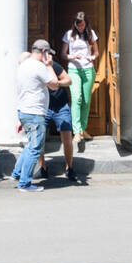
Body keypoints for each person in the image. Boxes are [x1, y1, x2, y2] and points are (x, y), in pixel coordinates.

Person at [11, 40, 66, 193]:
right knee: (35, 148)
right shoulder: (39, 66)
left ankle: (17, 173)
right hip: (34, 112)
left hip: (24, 110)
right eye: (48, 53)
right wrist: (49, 65)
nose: (49, 56)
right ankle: (25, 183)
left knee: (30, 145)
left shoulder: (24, 65)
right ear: (43, 52)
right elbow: (54, 85)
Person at [31, 51, 81, 182]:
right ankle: (43, 168)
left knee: (67, 138)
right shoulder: (34, 68)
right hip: (44, 107)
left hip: (61, 106)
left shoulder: (55, 66)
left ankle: (69, 168)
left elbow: (68, 80)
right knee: (39, 138)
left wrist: (56, 83)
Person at [62, 12, 99, 152]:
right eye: (78, 25)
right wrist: (73, 56)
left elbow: (97, 52)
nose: (80, 28)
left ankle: (83, 130)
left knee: (86, 101)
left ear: (86, 23)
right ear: (75, 24)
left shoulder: (91, 34)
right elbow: (63, 54)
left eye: (82, 25)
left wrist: (92, 58)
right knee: (76, 98)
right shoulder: (69, 34)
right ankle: (76, 131)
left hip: (88, 69)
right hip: (74, 70)